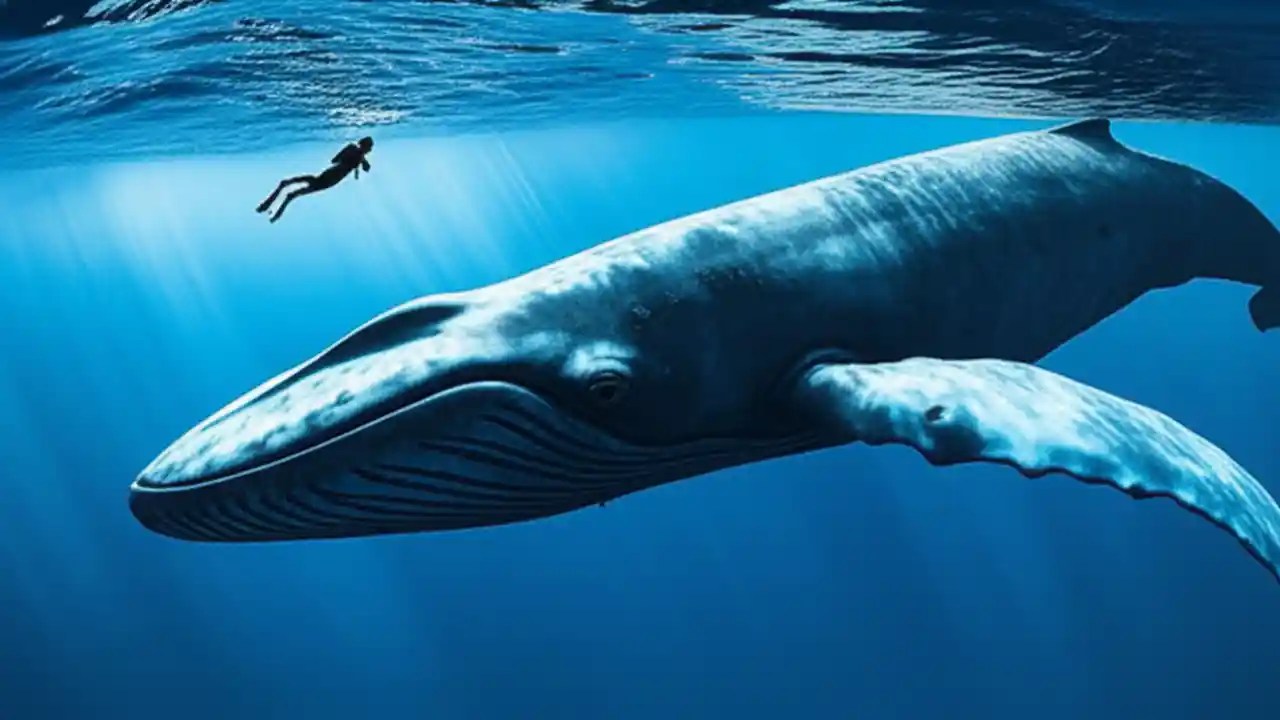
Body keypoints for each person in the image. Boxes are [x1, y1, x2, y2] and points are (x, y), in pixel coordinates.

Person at [256, 136, 374, 223]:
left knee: (293, 189)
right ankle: (271, 211)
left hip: (328, 177)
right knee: (292, 192)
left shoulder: (357, 154)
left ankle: (269, 208)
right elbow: (338, 161)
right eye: (370, 147)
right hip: (329, 180)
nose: (371, 150)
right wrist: (356, 161)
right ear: (366, 146)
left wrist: (357, 161)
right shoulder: (355, 152)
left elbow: (337, 161)